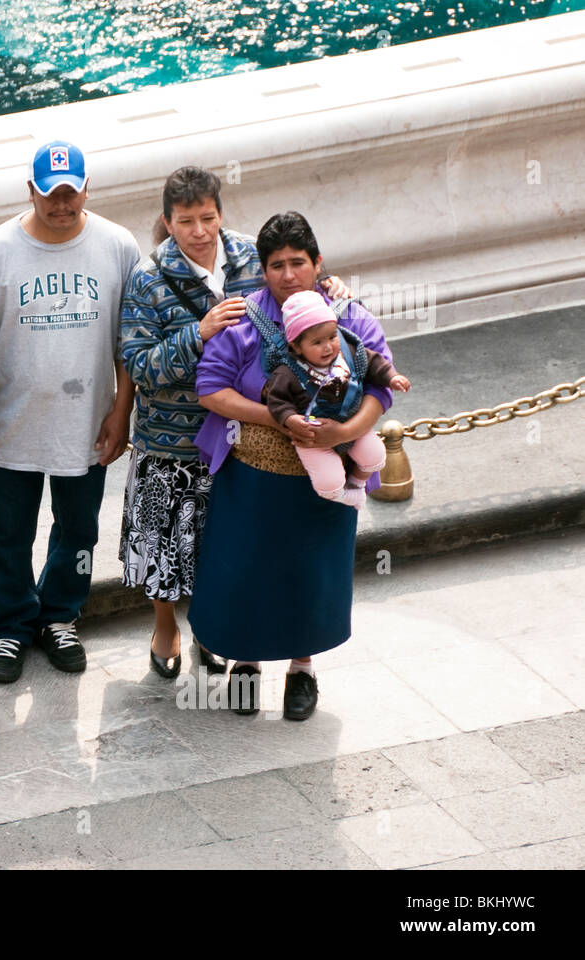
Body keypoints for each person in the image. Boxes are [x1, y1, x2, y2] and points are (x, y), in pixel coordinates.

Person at [120, 167, 351, 680]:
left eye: (208, 217)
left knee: (222, 553)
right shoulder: (146, 278)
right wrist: (197, 335)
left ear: (221, 214)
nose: (199, 231)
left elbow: (298, 293)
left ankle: (216, 631)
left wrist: (329, 286)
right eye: (186, 221)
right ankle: (165, 629)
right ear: (167, 221)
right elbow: (138, 365)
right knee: (163, 550)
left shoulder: (253, 258)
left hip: (244, 444)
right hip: (173, 439)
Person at [190, 211, 397, 720]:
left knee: (310, 573)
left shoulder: (347, 316)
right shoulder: (241, 320)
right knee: (248, 570)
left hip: (325, 476)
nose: (288, 274)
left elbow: (380, 385)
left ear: (318, 262)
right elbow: (209, 388)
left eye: (298, 263)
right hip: (252, 475)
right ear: (263, 270)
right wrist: (278, 420)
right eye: (276, 265)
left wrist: (345, 433)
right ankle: (246, 661)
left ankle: (302, 672)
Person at [0, 140, 141, 683]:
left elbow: (128, 342)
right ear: (31, 191)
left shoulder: (118, 247)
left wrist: (121, 414)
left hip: (87, 421)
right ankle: (10, 626)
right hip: (9, 424)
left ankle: (61, 615)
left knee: (79, 528)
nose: (61, 204)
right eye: (50, 194)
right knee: (4, 534)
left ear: (87, 189)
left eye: (71, 193)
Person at [265, 290, 412, 509]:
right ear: (296, 346)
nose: (328, 347)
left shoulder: (349, 352)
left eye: (332, 337)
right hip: (312, 436)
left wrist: (392, 377)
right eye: (317, 342)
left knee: (375, 456)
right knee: (328, 483)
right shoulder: (286, 373)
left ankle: (357, 483)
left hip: (350, 422)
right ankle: (344, 496)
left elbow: (375, 363)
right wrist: (290, 419)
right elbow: (277, 401)